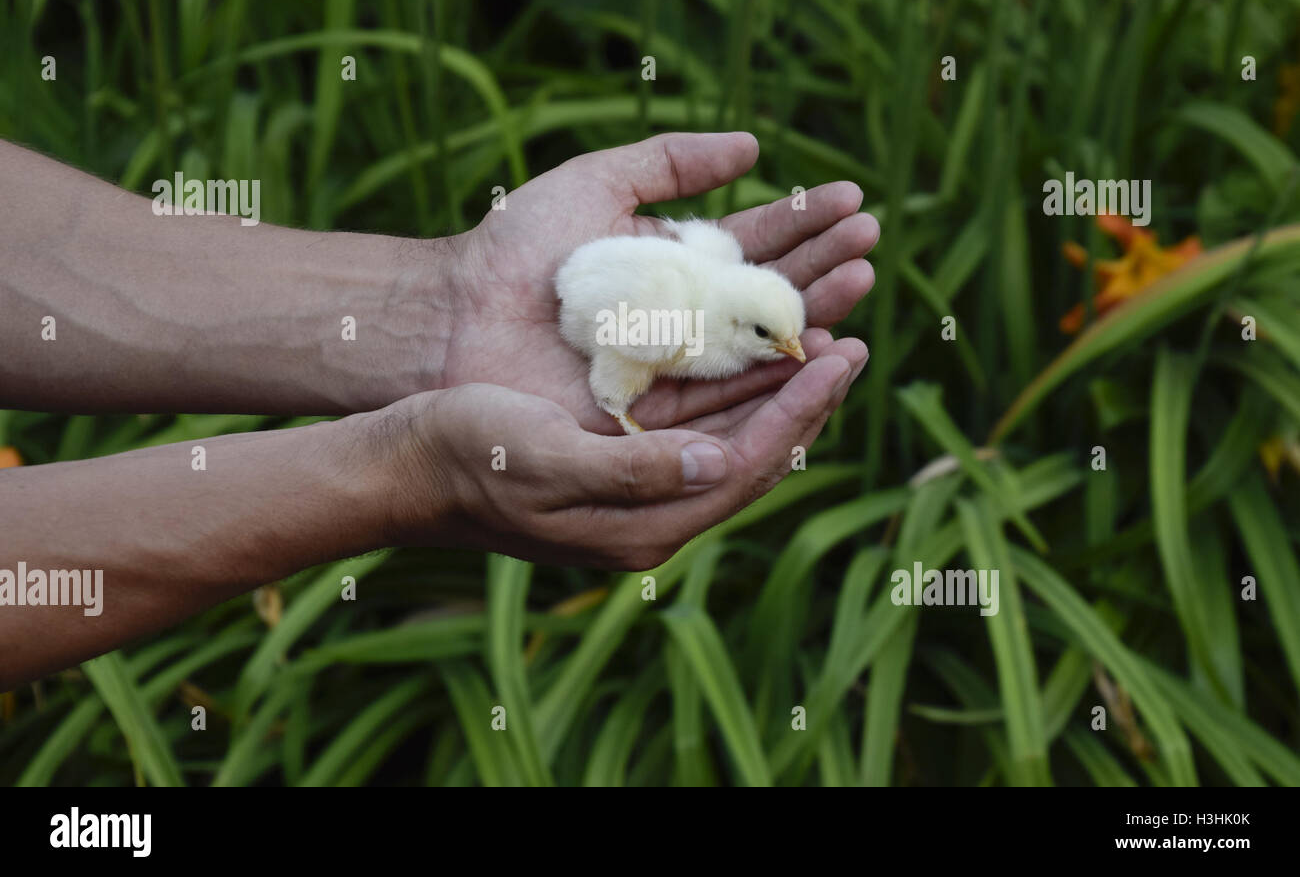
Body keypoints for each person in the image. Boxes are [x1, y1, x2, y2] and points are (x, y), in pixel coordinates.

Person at [0, 132, 878, 689]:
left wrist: (437, 308)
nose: (784, 353)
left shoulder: (708, 290)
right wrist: (414, 471)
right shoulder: (697, 301)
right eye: (774, 340)